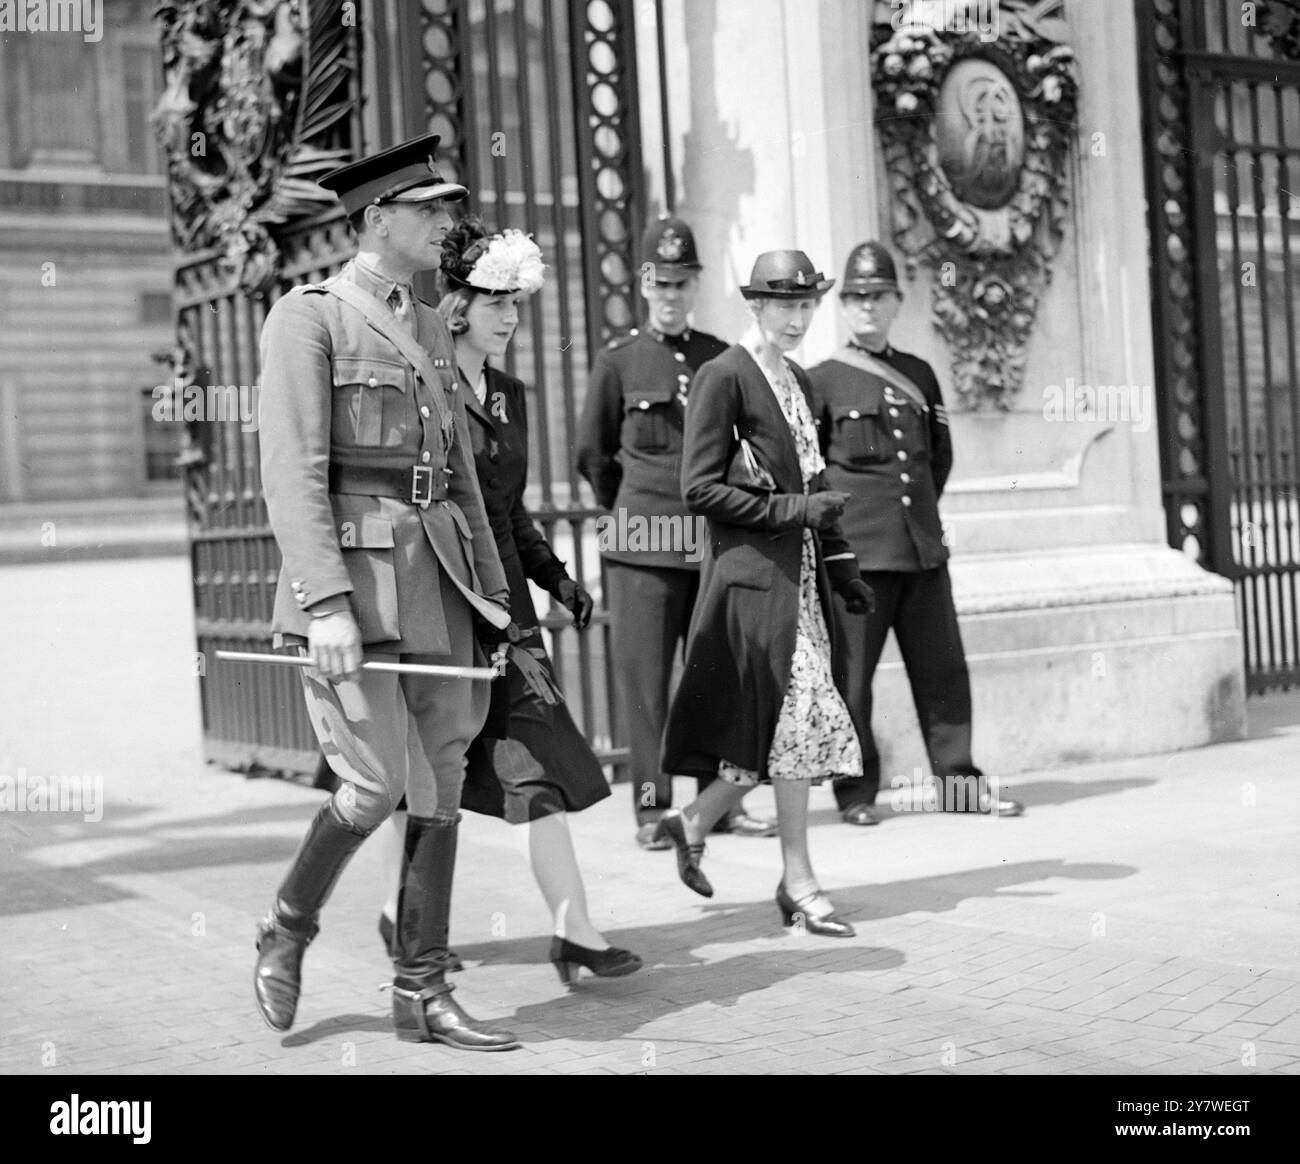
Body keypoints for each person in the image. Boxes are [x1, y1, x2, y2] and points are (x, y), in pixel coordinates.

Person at [252, 133, 521, 1052]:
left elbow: (458, 483)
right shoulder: (310, 318)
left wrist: (500, 606)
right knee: (371, 783)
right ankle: (287, 925)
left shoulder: (434, 326)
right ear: (377, 218)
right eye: (432, 210)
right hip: (359, 595)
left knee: (439, 777)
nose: (449, 223)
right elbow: (293, 473)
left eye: (450, 209)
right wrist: (324, 602)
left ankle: (422, 989)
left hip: (439, 584)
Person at [373, 215, 642, 986]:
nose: (509, 318)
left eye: (516, 303)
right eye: (495, 302)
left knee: (536, 765)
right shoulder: (426, 382)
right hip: (443, 604)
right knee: (421, 768)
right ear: (456, 304)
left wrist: (556, 576)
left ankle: (575, 929)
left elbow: (508, 508)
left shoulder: (513, 395)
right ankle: (404, 918)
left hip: (509, 614)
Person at [657, 250, 875, 937]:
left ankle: (701, 823)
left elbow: (813, 492)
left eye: (808, 305)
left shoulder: (801, 384)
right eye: (784, 306)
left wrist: (842, 569)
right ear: (755, 306)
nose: (798, 318)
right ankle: (798, 882)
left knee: (788, 730)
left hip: (802, 585)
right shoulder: (725, 376)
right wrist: (792, 515)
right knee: (791, 725)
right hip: (751, 584)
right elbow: (699, 489)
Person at [576, 215, 776, 850]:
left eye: (683, 282)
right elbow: (593, 455)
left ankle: (717, 807)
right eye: (661, 282)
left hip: (711, 545)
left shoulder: (720, 358)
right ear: (643, 283)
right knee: (644, 683)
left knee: (718, 676)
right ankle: (649, 809)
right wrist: (634, 513)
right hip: (642, 545)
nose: (671, 294)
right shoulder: (618, 362)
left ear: (696, 285)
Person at [808, 241, 1024, 825]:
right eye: (855, 297)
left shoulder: (920, 374)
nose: (867, 307)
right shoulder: (821, 380)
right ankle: (855, 796)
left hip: (922, 550)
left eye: (878, 296)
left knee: (944, 673)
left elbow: (938, 458)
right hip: (859, 558)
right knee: (852, 681)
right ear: (842, 305)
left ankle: (958, 784)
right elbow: (814, 472)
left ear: (897, 301)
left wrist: (921, 522)